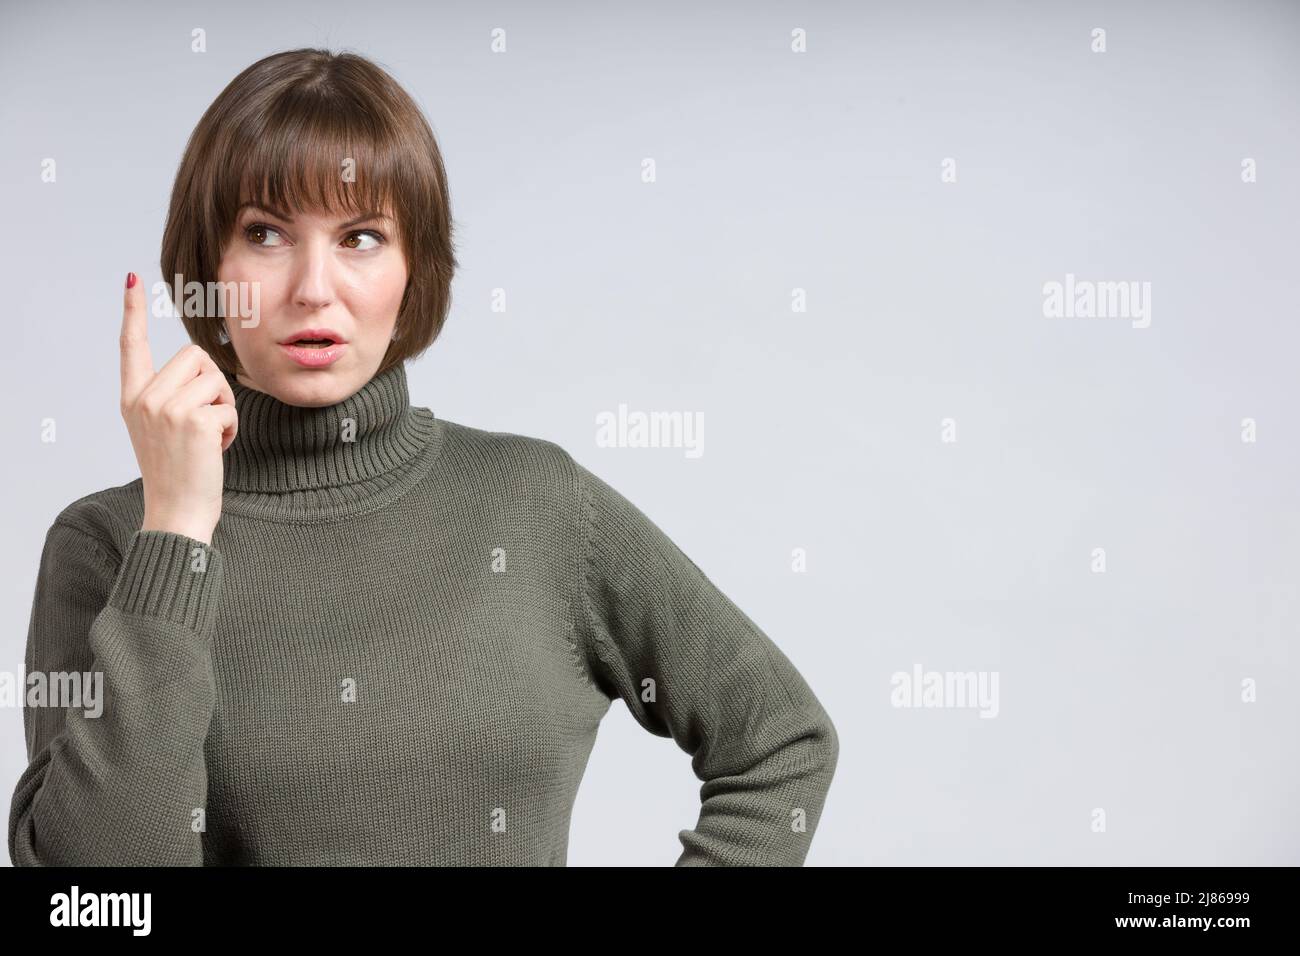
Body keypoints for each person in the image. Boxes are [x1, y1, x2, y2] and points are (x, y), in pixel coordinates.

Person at [8, 48, 838, 866]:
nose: (312, 287)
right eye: (265, 233)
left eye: (361, 237)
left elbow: (782, 744)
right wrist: (179, 536)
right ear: (208, 272)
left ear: (415, 270)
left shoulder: (536, 503)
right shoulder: (110, 545)